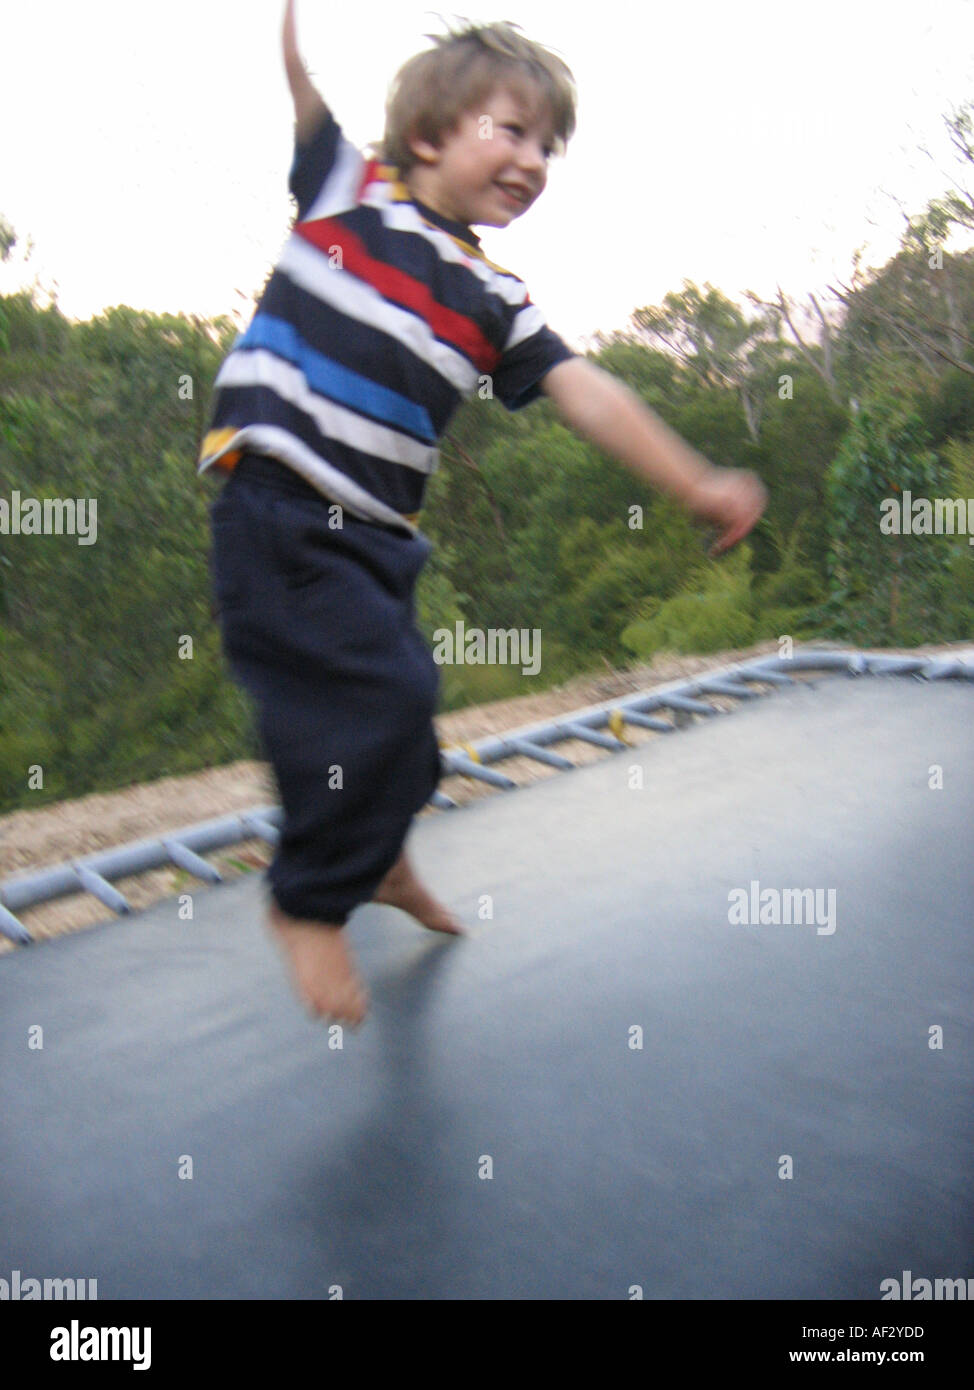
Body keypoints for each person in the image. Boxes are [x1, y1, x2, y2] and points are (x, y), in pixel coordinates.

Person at [200, 2, 767, 1027]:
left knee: (408, 726)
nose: (534, 159)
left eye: (548, 145)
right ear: (427, 136)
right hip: (278, 509)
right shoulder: (348, 192)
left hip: (375, 538)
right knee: (359, 707)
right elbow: (301, 89)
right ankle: (305, 902)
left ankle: (377, 862)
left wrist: (692, 480)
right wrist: (290, 33)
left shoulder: (495, 294)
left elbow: (585, 391)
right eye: (510, 131)